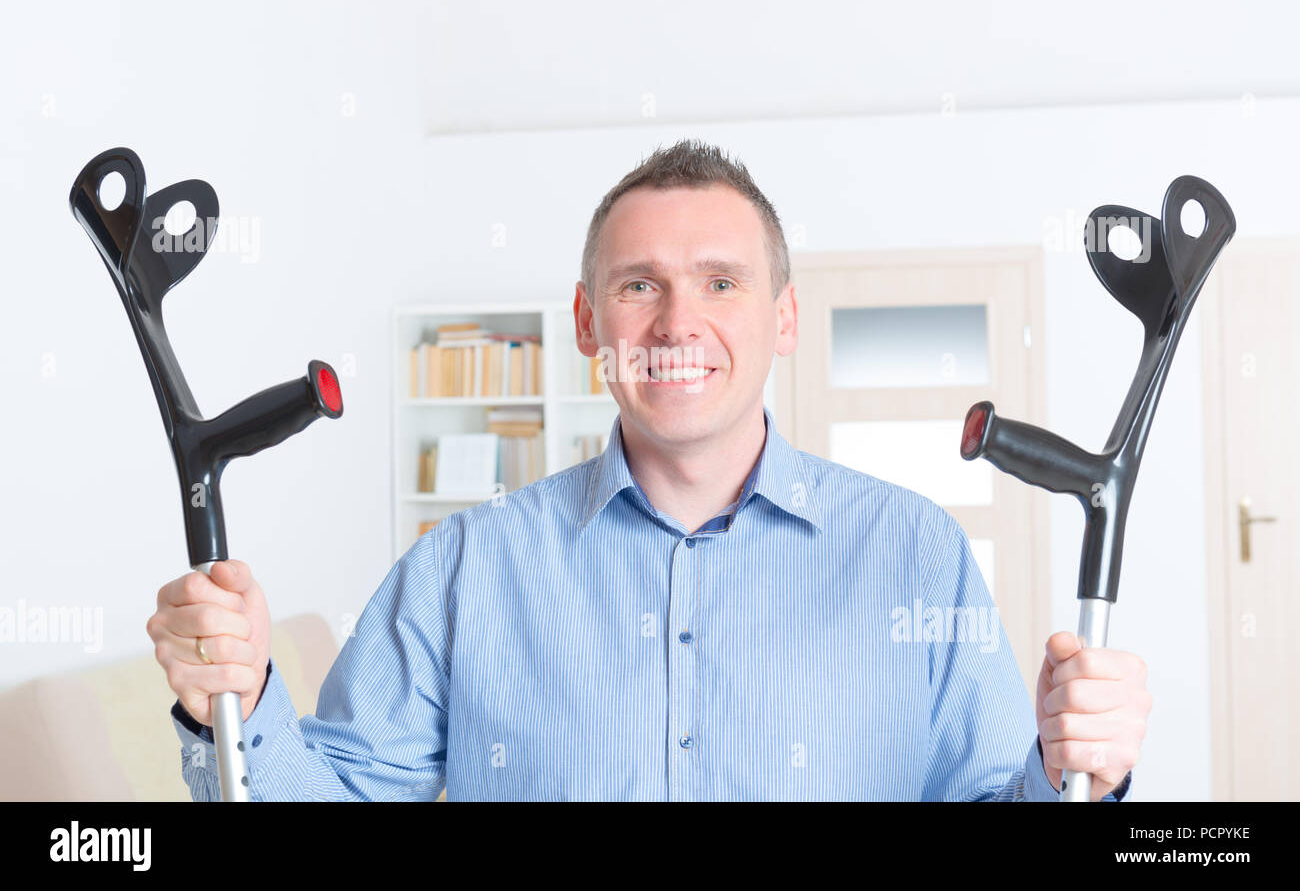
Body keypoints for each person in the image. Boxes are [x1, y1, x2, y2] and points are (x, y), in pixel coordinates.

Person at [148, 139, 1148, 800]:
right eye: (639, 286)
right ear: (589, 321)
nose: (678, 323)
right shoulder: (463, 567)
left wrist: (1076, 771)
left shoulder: (915, 554)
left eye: (721, 281)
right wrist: (233, 698)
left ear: (782, 317)